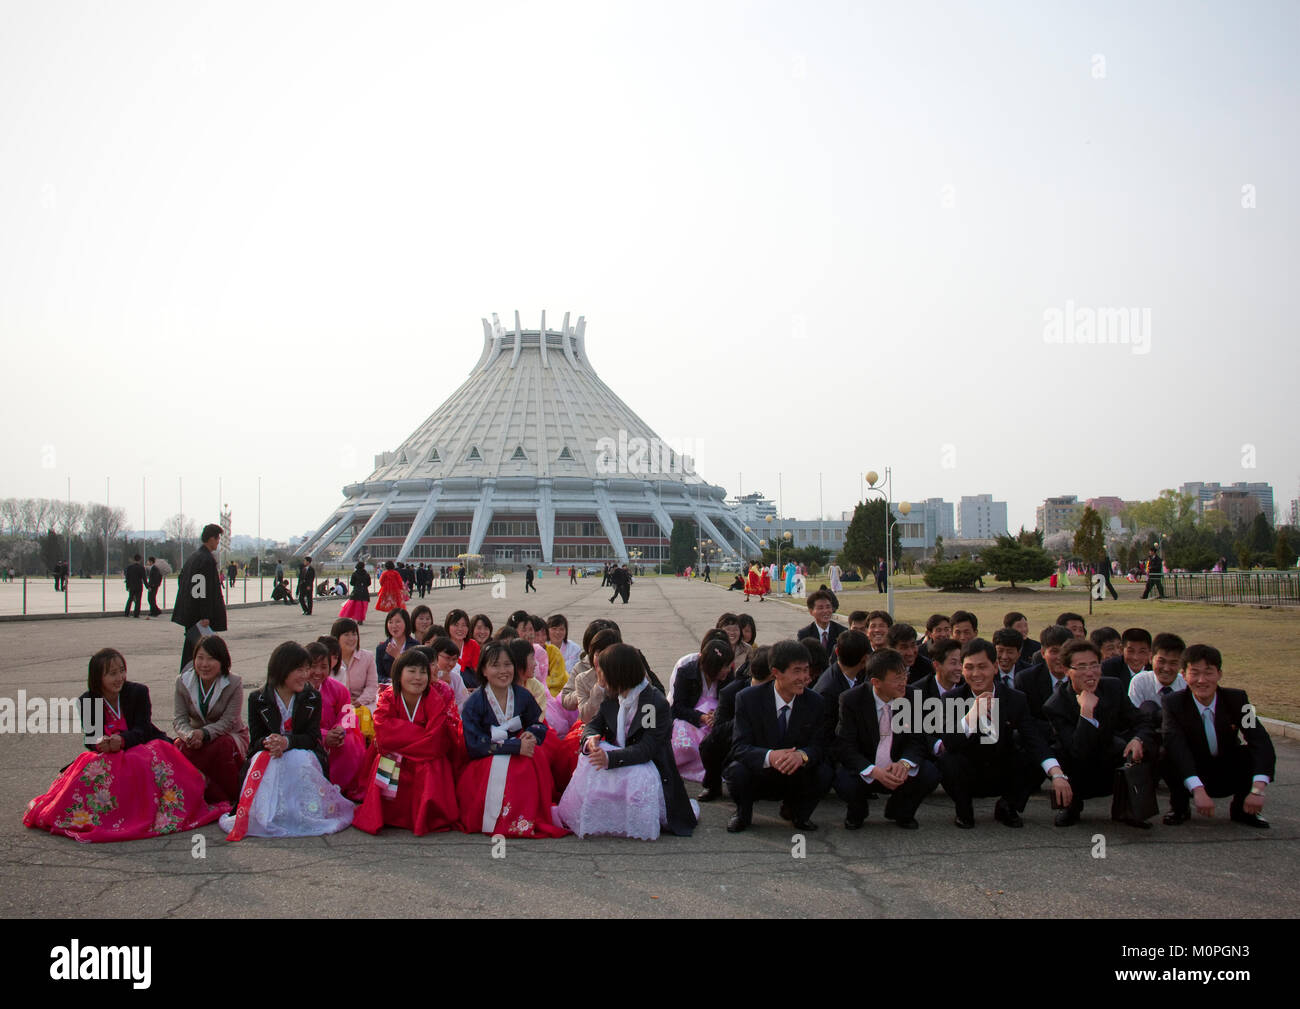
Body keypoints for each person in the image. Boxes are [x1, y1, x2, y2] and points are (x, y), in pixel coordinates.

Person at [25, 648, 229, 841]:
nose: (119, 678)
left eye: (122, 671)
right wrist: (101, 744)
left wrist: (121, 741)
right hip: (111, 753)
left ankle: (141, 813)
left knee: (141, 758)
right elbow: (91, 737)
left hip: (142, 746)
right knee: (92, 770)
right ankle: (105, 815)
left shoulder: (137, 692)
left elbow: (143, 729)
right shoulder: (88, 700)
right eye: (112, 673)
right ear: (98, 678)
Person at [558, 643, 698, 839]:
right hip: (621, 755)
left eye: (603, 669)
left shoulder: (653, 703)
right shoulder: (613, 695)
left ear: (618, 673)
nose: (599, 674)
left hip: (649, 765)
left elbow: (647, 748)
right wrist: (590, 739)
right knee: (589, 761)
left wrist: (610, 758)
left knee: (637, 774)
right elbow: (593, 724)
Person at [220, 642, 353, 840]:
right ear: (283, 669)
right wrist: (271, 742)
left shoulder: (311, 697)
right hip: (269, 753)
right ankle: (267, 814)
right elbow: (255, 741)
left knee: (297, 759)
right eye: (300, 669)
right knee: (268, 761)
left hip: (303, 752)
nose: (306, 674)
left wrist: (287, 742)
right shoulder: (258, 699)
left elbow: (312, 738)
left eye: (306, 669)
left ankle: (302, 813)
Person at [939, 639, 1068, 828]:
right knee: (947, 760)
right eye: (969, 667)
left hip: (1001, 768)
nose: (976, 674)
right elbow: (950, 743)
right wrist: (971, 716)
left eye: (982, 666)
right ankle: (964, 810)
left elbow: (1033, 738)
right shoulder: (951, 698)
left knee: (1030, 757)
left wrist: (1057, 774)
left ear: (995, 667)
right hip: (967, 771)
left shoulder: (1015, 698)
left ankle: (1008, 806)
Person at [457, 641, 567, 838]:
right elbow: (474, 745)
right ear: (483, 669)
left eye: (507, 664)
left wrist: (532, 733)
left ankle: (525, 819)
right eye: (495, 665)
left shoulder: (523, 695)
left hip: (519, 750)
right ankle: (501, 820)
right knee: (517, 768)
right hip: (485, 759)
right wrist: (515, 746)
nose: (503, 670)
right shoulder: (474, 703)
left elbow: (538, 723)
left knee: (529, 763)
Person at [1044, 639, 1156, 827]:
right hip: (1077, 765)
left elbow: (1141, 720)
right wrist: (1086, 713)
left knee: (1144, 744)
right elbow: (1077, 750)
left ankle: (1126, 809)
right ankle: (1072, 805)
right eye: (1081, 667)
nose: (1090, 672)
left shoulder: (1113, 687)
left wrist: (1138, 739)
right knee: (1058, 753)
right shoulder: (1055, 705)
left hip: (1109, 752)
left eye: (1094, 665)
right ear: (1066, 670)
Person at [1160, 644, 1275, 827]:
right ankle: (1179, 807)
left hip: (1225, 769)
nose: (1201, 680)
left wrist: (1258, 789)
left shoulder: (1238, 700)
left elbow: (1259, 739)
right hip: (1192, 770)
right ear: (1183, 675)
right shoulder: (1172, 703)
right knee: (1166, 753)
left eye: (1208, 672)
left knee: (1248, 753)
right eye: (1194, 672)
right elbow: (1175, 745)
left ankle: (1242, 811)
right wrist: (1197, 789)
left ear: (1219, 674)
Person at [724, 639, 831, 832]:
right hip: (761, 771)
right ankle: (742, 813)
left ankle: (799, 813)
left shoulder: (815, 702)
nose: (804, 677)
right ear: (776, 672)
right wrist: (770, 756)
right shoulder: (748, 699)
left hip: (795, 771)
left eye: (806, 670)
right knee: (736, 771)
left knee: (824, 772)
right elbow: (739, 747)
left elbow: (819, 745)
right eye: (796, 671)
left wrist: (802, 755)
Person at [353, 650, 462, 835]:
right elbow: (385, 734)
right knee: (387, 758)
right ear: (399, 673)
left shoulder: (434, 698)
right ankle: (388, 814)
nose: (418, 678)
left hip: (426, 756)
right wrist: (418, 736)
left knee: (429, 765)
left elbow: (435, 740)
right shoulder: (389, 696)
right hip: (398, 753)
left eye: (423, 672)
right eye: (412, 671)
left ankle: (425, 815)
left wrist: (402, 741)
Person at [834, 648, 941, 830]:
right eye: (897, 679)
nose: (903, 683)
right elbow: (845, 747)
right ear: (876, 682)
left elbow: (918, 740)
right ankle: (857, 811)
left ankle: (901, 811)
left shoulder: (913, 697)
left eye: (904, 676)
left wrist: (905, 764)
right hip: (868, 767)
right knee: (842, 780)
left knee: (930, 772)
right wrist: (873, 771)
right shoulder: (851, 700)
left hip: (897, 767)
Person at [172, 634, 249, 805]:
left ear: (222, 661)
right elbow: (179, 719)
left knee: (222, 746)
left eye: (211, 659)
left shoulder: (233, 682)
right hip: (194, 736)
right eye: (200, 658)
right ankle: (194, 794)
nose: (204, 664)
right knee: (177, 746)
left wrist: (203, 734)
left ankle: (224, 797)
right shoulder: (183, 681)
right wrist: (189, 735)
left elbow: (229, 720)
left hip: (226, 734)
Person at [304, 641, 367, 800]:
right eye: (313, 666)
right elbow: (291, 724)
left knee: (350, 741)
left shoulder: (338, 689)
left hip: (335, 736)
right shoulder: (296, 690)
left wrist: (340, 730)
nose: (318, 672)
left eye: (324, 667)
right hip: (307, 738)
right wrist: (324, 736)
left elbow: (348, 715)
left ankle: (340, 787)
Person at [668, 638, 734, 783]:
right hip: (691, 720)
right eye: (725, 667)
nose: (728, 670)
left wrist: (718, 715)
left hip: (717, 719)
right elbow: (677, 707)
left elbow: (731, 703)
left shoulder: (728, 676)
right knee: (684, 744)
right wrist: (701, 717)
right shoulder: (686, 672)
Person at [172, 524, 227, 672]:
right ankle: (189, 678)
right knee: (198, 651)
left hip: (190, 612)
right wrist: (204, 615)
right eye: (217, 539)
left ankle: (187, 676)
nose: (218, 542)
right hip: (198, 616)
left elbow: (183, 581)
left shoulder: (194, 557)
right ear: (211, 539)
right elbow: (200, 590)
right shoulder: (206, 559)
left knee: (193, 649)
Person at [1014, 624, 1075, 720]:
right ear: (1043, 653)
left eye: (1065, 651)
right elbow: (1026, 720)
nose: (1060, 657)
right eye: (1054, 651)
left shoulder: (1081, 677)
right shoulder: (1026, 680)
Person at [330, 617, 379, 712]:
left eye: (354, 634)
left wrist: (360, 701)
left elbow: (372, 686)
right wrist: (345, 701)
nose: (351, 638)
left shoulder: (368, 657)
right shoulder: (330, 659)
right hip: (337, 705)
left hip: (364, 705)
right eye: (346, 635)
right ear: (336, 637)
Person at [1128, 632, 1187, 709]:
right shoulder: (1140, 682)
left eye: (1173, 663)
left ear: (1181, 664)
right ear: (1150, 658)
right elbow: (1134, 717)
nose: (1166, 668)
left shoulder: (1186, 685)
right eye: (1161, 661)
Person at [375, 608, 419, 686]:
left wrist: (398, 657)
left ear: (406, 623)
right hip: (389, 689)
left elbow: (416, 670)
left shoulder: (416, 646)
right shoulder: (381, 648)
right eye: (390, 622)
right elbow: (379, 676)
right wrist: (391, 682)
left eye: (398, 622)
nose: (394, 626)